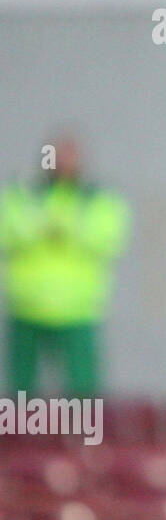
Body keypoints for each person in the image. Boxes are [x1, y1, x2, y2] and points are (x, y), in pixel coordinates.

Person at [0, 135, 130, 397]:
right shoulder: (22, 195)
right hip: (27, 306)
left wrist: (60, 226)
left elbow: (109, 237)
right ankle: (21, 434)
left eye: (69, 157)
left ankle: (85, 433)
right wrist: (46, 227)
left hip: (78, 309)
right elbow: (8, 228)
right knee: (21, 388)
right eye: (57, 156)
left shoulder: (97, 199)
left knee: (84, 387)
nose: (63, 163)